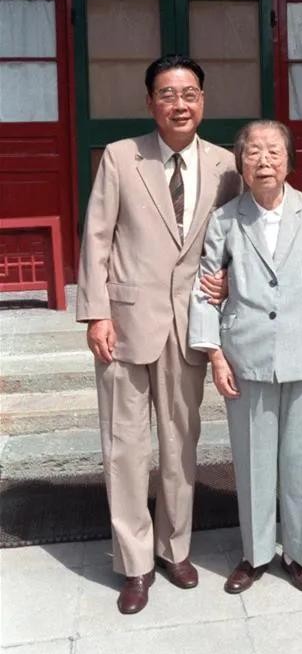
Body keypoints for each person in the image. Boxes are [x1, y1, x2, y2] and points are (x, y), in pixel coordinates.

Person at [76, 54, 241, 614]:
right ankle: (134, 564)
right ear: (150, 102)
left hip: (190, 324)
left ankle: (175, 549)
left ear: (203, 100)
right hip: (123, 322)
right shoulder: (123, 157)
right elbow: (97, 236)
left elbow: (233, 241)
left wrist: (227, 292)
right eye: (168, 94)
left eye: (190, 93)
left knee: (180, 444)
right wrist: (96, 313)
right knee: (125, 447)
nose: (180, 104)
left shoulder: (225, 166)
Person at [190, 120, 302, 595]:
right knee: (252, 461)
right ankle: (255, 554)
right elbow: (205, 290)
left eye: (273, 152)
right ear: (240, 163)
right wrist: (214, 356)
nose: (264, 161)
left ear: (289, 160)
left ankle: (298, 553)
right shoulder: (225, 219)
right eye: (253, 153)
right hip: (245, 355)